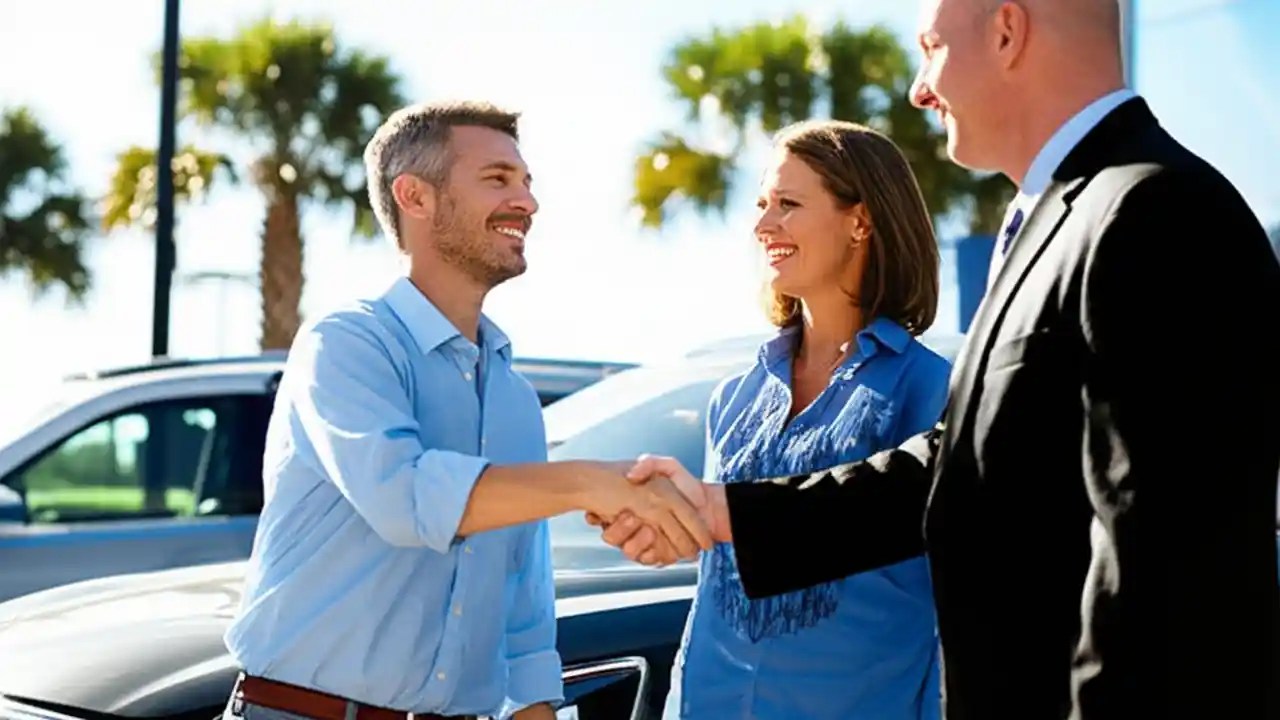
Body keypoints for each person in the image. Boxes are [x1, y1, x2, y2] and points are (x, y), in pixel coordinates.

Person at [608, 1, 1280, 718]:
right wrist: (723, 512)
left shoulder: (1155, 209)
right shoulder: (1060, 219)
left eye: (931, 49)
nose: (919, 90)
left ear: (1006, 31)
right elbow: (954, 471)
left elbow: (1172, 570)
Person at [220, 100, 711, 720]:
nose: (527, 203)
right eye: (498, 179)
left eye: (526, 183)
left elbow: (524, 615)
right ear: (414, 197)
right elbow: (407, 496)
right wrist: (593, 481)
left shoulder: (512, 396)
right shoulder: (346, 344)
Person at [600, 119, 952, 719]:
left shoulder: (932, 389)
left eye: (787, 204)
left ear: (860, 221)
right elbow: (711, 584)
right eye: (762, 204)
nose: (763, 225)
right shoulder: (732, 398)